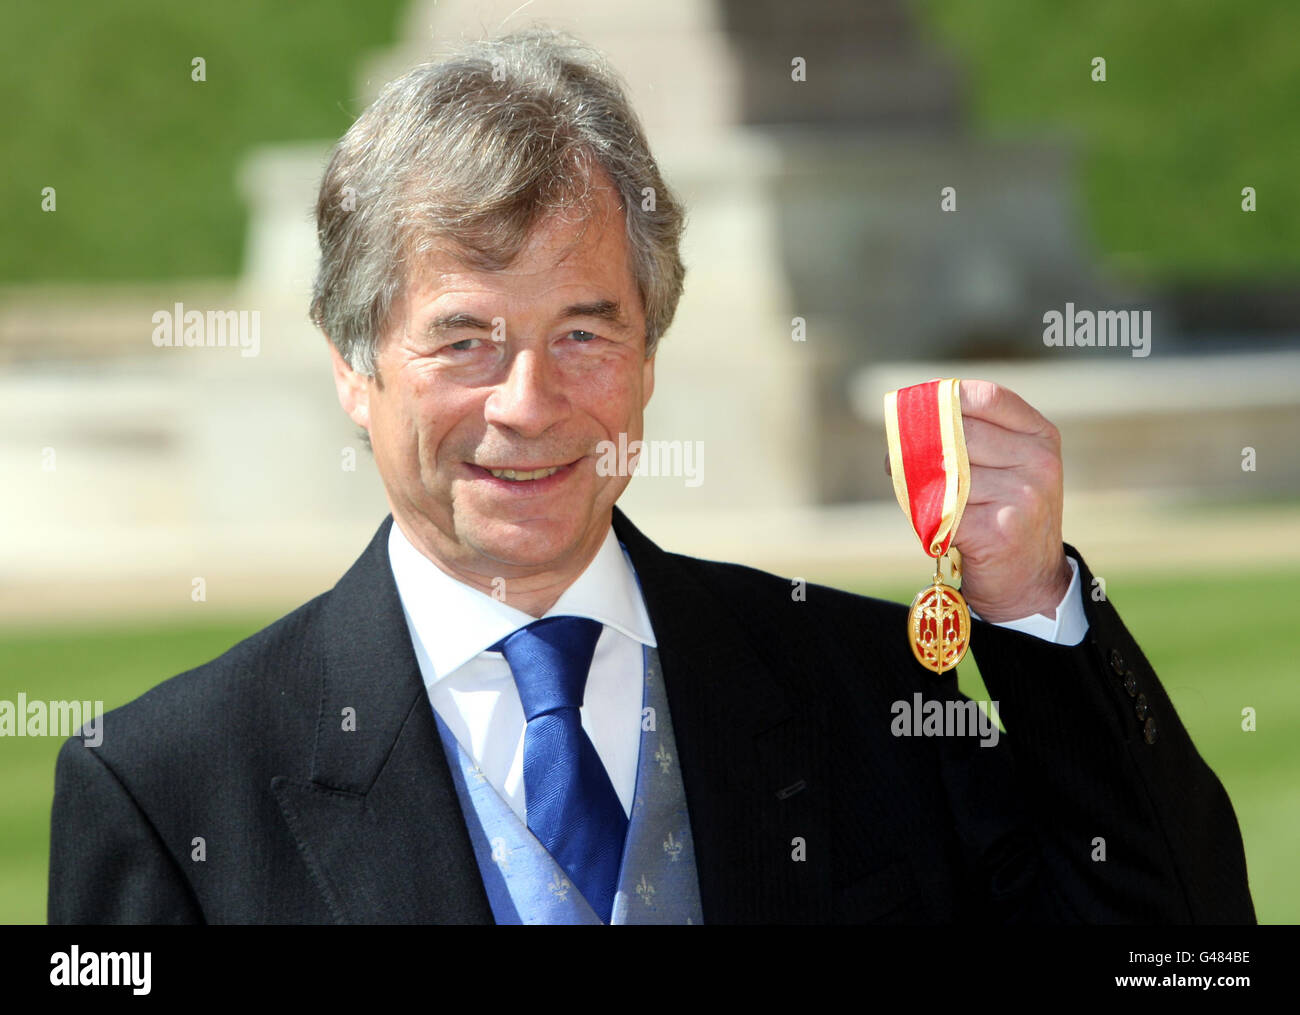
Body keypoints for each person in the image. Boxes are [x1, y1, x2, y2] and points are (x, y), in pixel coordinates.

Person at [48, 27, 1254, 925]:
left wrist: (1032, 613)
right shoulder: (166, 791)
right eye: (465, 339)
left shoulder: (874, 695)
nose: (528, 404)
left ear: (651, 355)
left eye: (585, 332)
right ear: (355, 368)